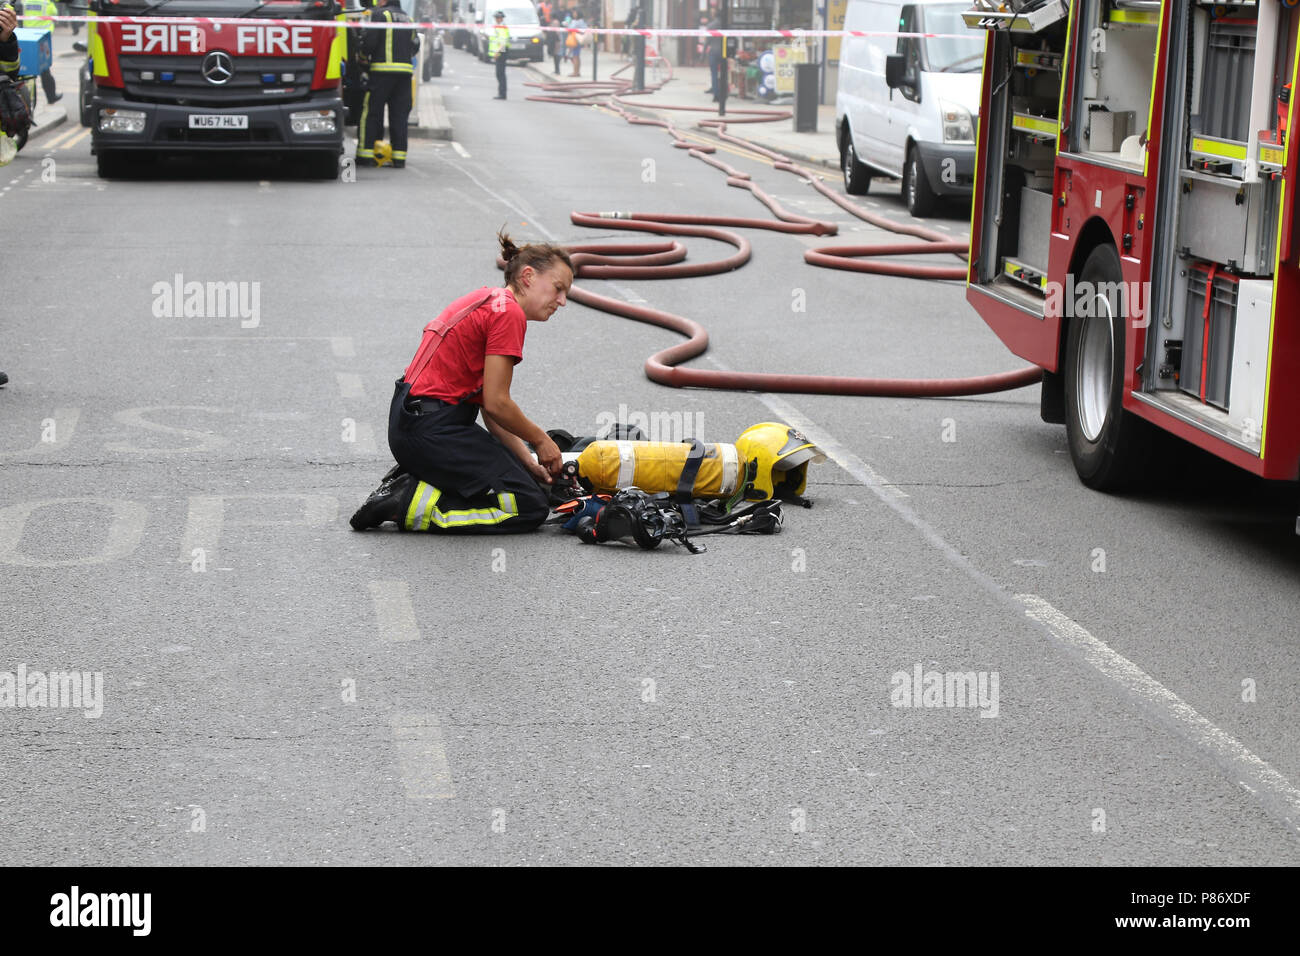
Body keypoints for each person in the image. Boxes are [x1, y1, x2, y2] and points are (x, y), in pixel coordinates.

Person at [350, 231, 574, 534]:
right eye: (558, 289)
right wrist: (541, 440)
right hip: (433, 431)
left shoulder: (490, 301)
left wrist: (528, 462)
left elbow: (491, 412)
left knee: (521, 481)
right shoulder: (508, 313)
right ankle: (405, 502)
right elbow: (497, 402)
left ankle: (412, 482)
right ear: (528, 276)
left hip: (413, 426)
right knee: (529, 506)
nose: (561, 301)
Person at [356, 0, 418, 169]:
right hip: (404, 74)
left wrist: (361, 55)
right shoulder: (408, 19)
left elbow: (369, 43)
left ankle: (365, 155)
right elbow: (415, 44)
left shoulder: (380, 15)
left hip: (381, 72)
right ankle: (399, 158)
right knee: (399, 116)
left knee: (372, 113)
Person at [20, 0, 59, 104]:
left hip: (27, 38)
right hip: (42, 39)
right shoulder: (47, 3)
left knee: (25, 69)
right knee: (45, 70)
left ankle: (25, 97)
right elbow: (54, 13)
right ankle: (51, 97)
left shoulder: (25, 2)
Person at [489, 9, 509, 100]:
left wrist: (498, 52)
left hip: (502, 52)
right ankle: (501, 93)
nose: (497, 19)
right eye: (496, 17)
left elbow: (503, 42)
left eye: (498, 18)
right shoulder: (498, 27)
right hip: (500, 52)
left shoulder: (502, 28)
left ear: (501, 19)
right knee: (499, 74)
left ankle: (502, 94)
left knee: (500, 74)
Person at [704, 13, 722, 100]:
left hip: (713, 51)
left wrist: (703, 54)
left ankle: (716, 93)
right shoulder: (726, 25)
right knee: (724, 74)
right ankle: (722, 92)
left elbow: (707, 41)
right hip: (724, 52)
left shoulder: (711, 25)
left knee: (714, 73)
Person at [567, 9, 585, 77]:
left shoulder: (577, 21)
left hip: (576, 40)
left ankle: (575, 72)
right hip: (577, 40)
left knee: (575, 56)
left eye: (575, 13)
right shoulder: (581, 21)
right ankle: (577, 71)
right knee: (576, 56)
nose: (573, 14)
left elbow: (571, 28)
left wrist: (568, 24)